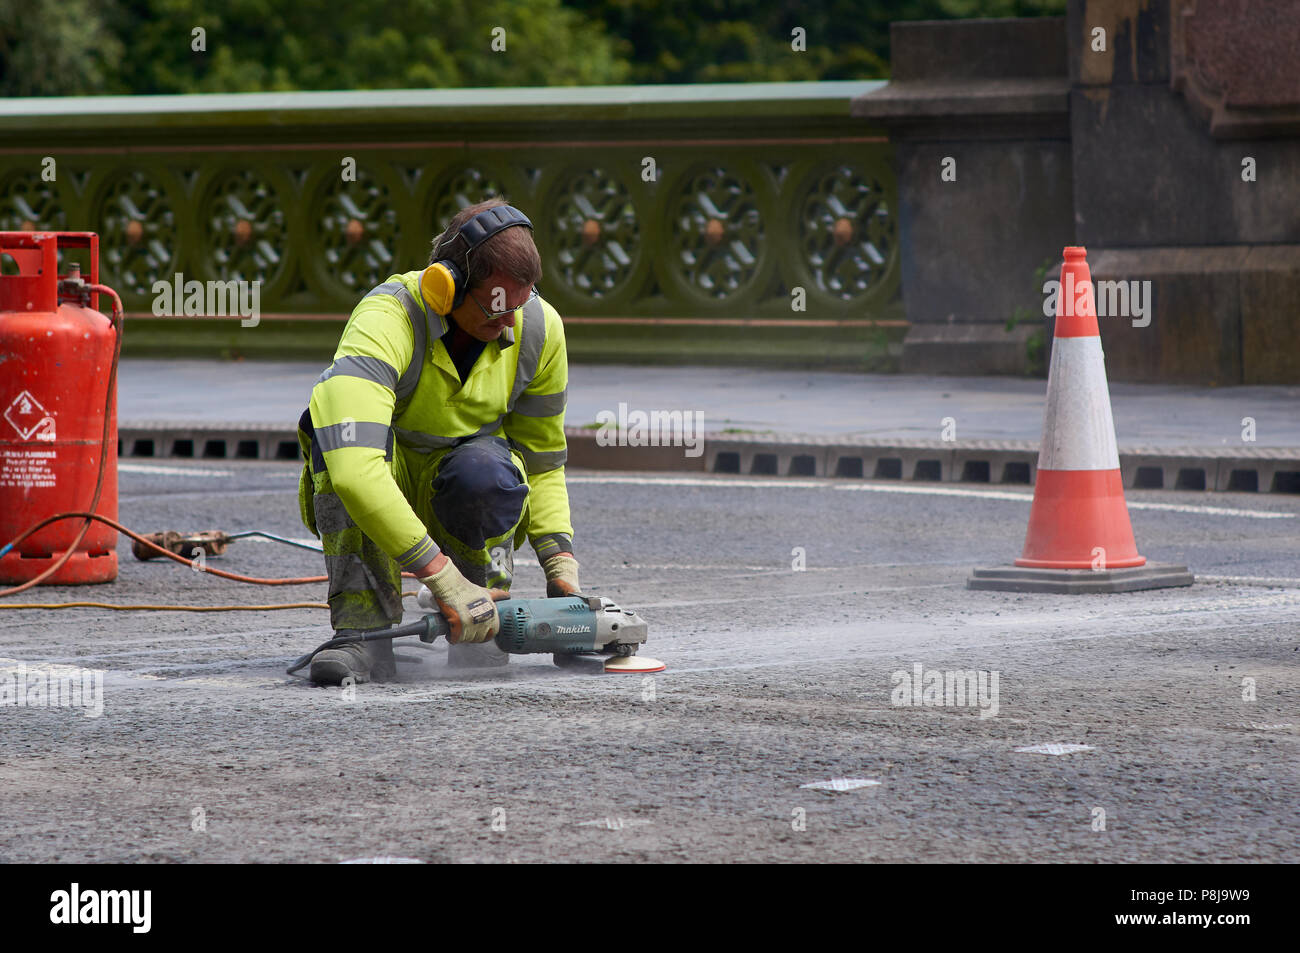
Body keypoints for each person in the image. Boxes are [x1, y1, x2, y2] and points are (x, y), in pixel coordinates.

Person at [295, 198, 580, 684]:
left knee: (487, 470)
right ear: (444, 286)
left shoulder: (537, 328)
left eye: (520, 304)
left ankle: (482, 619)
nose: (510, 322)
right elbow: (354, 469)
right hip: (382, 490)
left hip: (461, 486)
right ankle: (362, 633)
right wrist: (441, 577)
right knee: (335, 443)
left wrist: (561, 568)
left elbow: (542, 461)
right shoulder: (387, 319)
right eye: (497, 307)